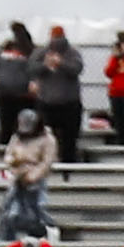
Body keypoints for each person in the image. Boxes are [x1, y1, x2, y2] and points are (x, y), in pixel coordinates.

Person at [0, 111, 57, 239]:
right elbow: (8, 155)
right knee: (8, 211)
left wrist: (32, 176)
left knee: (37, 210)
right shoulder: (16, 137)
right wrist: (13, 162)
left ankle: (43, 234)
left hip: (36, 180)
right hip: (17, 178)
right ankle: (6, 240)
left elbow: (47, 162)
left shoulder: (48, 139)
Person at [35, 26, 87, 162]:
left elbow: (77, 69)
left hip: (68, 102)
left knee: (69, 138)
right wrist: (46, 65)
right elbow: (32, 68)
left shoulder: (72, 53)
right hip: (48, 102)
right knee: (50, 137)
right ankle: (55, 162)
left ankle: (66, 164)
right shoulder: (42, 52)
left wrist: (60, 63)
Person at [0, 22, 38, 133]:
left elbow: (36, 69)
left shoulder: (30, 51)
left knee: (24, 127)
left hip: (24, 96)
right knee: (6, 126)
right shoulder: (3, 51)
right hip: (4, 94)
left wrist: (34, 81)